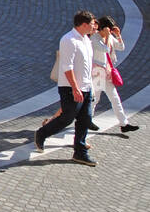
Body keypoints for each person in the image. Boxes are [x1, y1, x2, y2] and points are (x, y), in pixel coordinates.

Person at [35, 11, 99, 166]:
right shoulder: (68, 40)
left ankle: (80, 153)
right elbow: (67, 66)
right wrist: (75, 88)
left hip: (86, 86)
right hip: (70, 88)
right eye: (92, 24)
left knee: (85, 120)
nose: (94, 26)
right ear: (84, 24)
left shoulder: (86, 40)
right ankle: (42, 133)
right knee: (67, 118)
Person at [92, 17, 138, 133]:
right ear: (103, 28)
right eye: (109, 29)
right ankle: (87, 120)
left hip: (107, 72)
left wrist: (118, 35)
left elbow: (121, 47)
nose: (110, 32)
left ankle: (124, 124)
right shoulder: (94, 38)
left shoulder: (110, 36)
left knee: (114, 98)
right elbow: (105, 49)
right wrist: (107, 37)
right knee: (95, 99)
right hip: (98, 72)